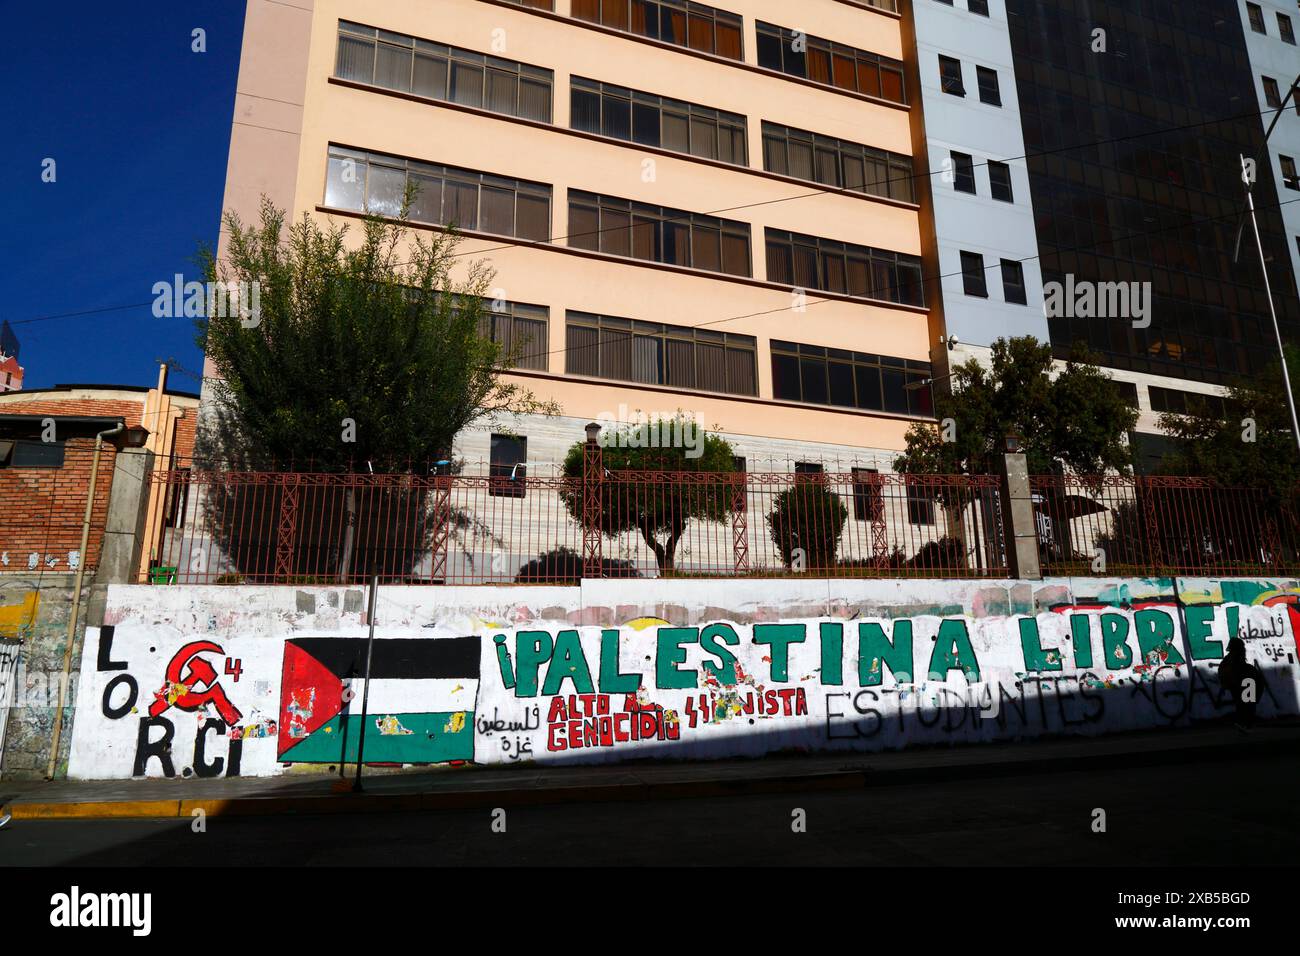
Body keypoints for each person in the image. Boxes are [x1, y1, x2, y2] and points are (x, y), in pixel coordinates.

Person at [1218, 638, 1262, 730]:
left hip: (1240, 684)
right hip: (1240, 684)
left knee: (1244, 704)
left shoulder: (1231, 660)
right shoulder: (1234, 659)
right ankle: (1245, 724)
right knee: (1246, 704)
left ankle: (1244, 723)